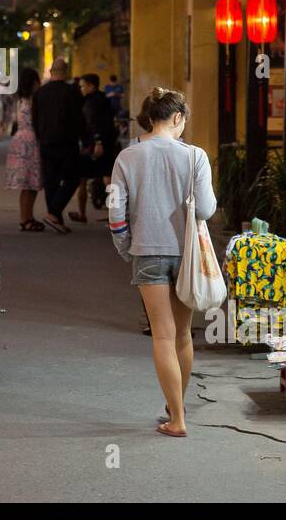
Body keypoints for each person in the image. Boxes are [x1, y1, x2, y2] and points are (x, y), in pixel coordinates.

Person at [108, 88, 216, 438]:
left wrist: (127, 247)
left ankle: (177, 418)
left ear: (149, 118)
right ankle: (175, 409)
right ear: (177, 118)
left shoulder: (127, 157)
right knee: (183, 334)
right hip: (187, 255)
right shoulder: (195, 156)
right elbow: (205, 209)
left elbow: (115, 212)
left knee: (162, 336)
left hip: (148, 252)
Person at [30, 57, 84, 234]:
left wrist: (40, 137)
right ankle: (53, 212)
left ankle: (56, 218)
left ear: (51, 72)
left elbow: (35, 119)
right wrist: (86, 139)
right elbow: (78, 118)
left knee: (51, 180)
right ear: (66, 72)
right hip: (67, 141)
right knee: (72, 178)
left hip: (45, 141)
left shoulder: (40, 92)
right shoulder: (72, 91)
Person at [69, 73, 120, 223]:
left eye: (83, 86)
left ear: (91, 86)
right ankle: (115, 215)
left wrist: (97, 142)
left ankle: (82, 213)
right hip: (108, 143)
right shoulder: (104, 98)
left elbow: (93, 123)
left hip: (94, 144)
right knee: (109, 178)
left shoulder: (90, 102)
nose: (81, 88)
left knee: (84, 179)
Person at [5, 67, 44, 231]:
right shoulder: (34, 101)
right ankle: (27, 219)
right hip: (31, 141)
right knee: (32, 183)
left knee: (26, 184)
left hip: (19, 140)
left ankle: (26, 217)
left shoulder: (19, 100)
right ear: (34, 82)